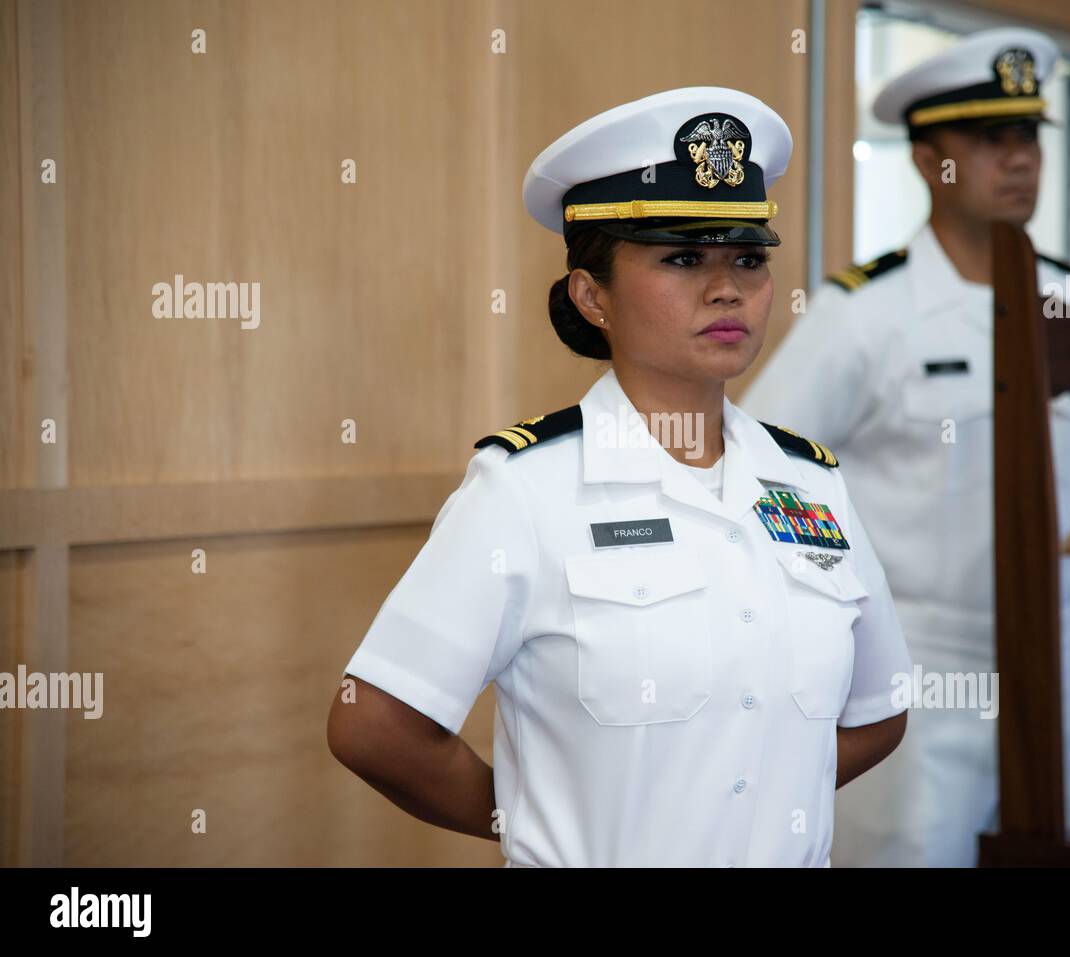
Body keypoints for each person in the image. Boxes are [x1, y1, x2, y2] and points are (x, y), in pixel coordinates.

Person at [327, 86, 914, 867]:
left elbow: (879, 710)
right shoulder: (524, 489)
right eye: (681, 258)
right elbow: (373, 723)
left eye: (748, 257)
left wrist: (760, 810)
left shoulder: (810, 484)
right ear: (591, 294)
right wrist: (534, 820)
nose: (727, 287)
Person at [742, 28, 1070, 867]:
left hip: (1059, 663)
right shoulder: (865, 312)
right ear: (926, 158)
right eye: (989, 139)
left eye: (1028, 137)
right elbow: (761, 472)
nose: (1018, 159)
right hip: (917, 671)